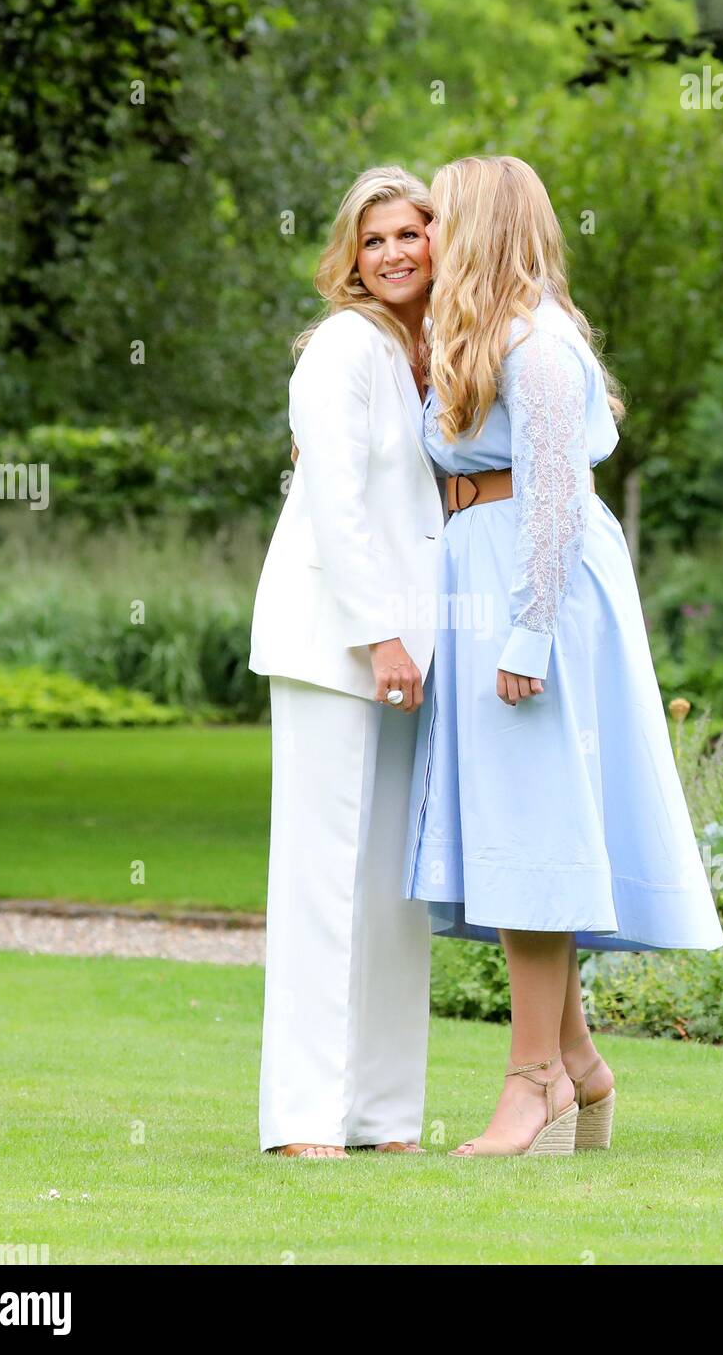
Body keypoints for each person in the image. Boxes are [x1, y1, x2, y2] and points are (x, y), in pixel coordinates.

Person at [402, 155, 723, 1158]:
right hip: (479, 578)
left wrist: (528, 630)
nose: (425, 238)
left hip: (527, 588)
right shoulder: (484, 340)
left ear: (483, 226)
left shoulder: (540, 348)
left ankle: (532, 1078)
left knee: (532, 828)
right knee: (514, 830)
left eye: (438, 220)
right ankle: (574, 1061)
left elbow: (552, 495)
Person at [249, 166, 445, 1159]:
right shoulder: (341, 347)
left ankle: (380, 1117)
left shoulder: (433, 356)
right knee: (322, 877)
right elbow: (336, 497)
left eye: (413, 231)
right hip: (336, 641)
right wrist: (379, 634)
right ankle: (302, 1119)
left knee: (391, 889)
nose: (397, 251)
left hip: (409, 651)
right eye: (376, 239)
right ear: (351, 257)